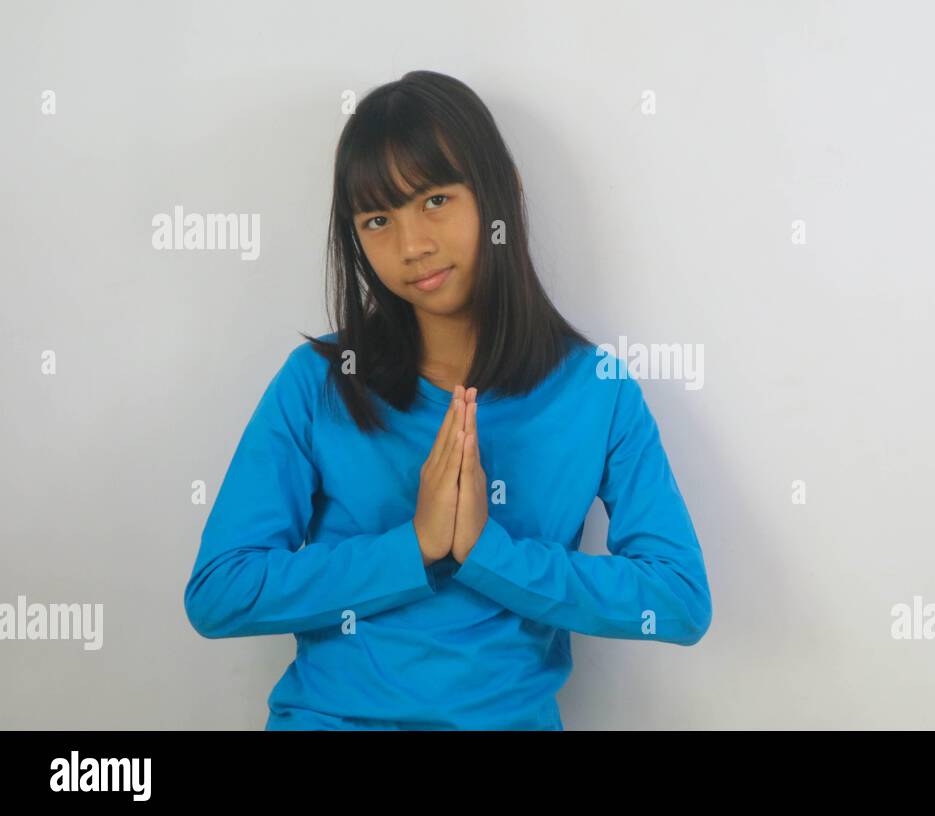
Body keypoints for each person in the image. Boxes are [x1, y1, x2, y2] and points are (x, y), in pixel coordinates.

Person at [183, 70, 712, 730]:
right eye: (378, 219)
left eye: (435, 199)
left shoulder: (597, 391)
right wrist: (415, 546)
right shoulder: (317, 381)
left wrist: (489, 552)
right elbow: (218, 591)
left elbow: (679, 597)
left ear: (500, 195)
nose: (412, 246)